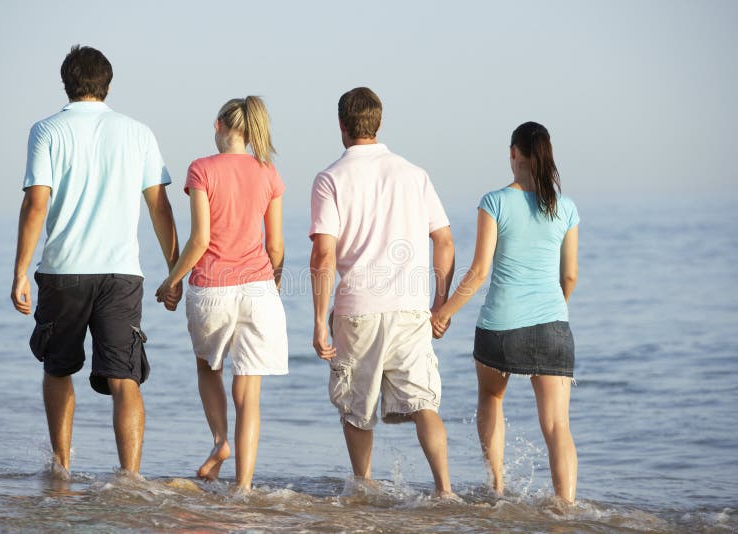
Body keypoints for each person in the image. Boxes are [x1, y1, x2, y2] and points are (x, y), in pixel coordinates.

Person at [11, 45, 180, 479]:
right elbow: (159, 206)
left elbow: (35, 205)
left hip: (63, 271)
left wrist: (20, 272)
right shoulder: (138, 132)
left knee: (58, 368)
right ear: (107, 83)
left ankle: (62, 469)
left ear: (66, 82)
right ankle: (130, 479)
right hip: (121, 273)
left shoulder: (46, 130)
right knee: (125, 378)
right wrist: (174, 269)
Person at [309, 87, 456, 497]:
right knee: (424, 403)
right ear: (379, 122)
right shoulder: (414, 174)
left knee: (356, 408)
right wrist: (439, 304)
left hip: (357, 310)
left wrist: (319, 321)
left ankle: (365, 487)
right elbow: (444, 241)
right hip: (411, 308)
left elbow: (323, 255)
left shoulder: (330, 179)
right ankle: (445, 490)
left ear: (342, 124)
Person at [431, 121, 579, 503]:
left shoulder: (494, 201)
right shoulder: (565, 208)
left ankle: (496, 486)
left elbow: (479, 271)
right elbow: (570, 275)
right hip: (553, 326)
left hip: (501, 327)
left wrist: (443, 313)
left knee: (491, 398)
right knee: (558, 426)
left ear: (513, 153)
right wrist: (553, 311)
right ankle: (566, 507)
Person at [155, 96, 287, 491]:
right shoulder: (268, 172)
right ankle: (243, 487)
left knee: (208, 368)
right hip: (259, 290)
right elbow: (275, 246)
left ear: (218, 125)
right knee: (249, 392)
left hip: (213, 288)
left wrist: (171, 281)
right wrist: (273, 283)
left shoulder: (202, 169)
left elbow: (199, 240)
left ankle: (220, 441)